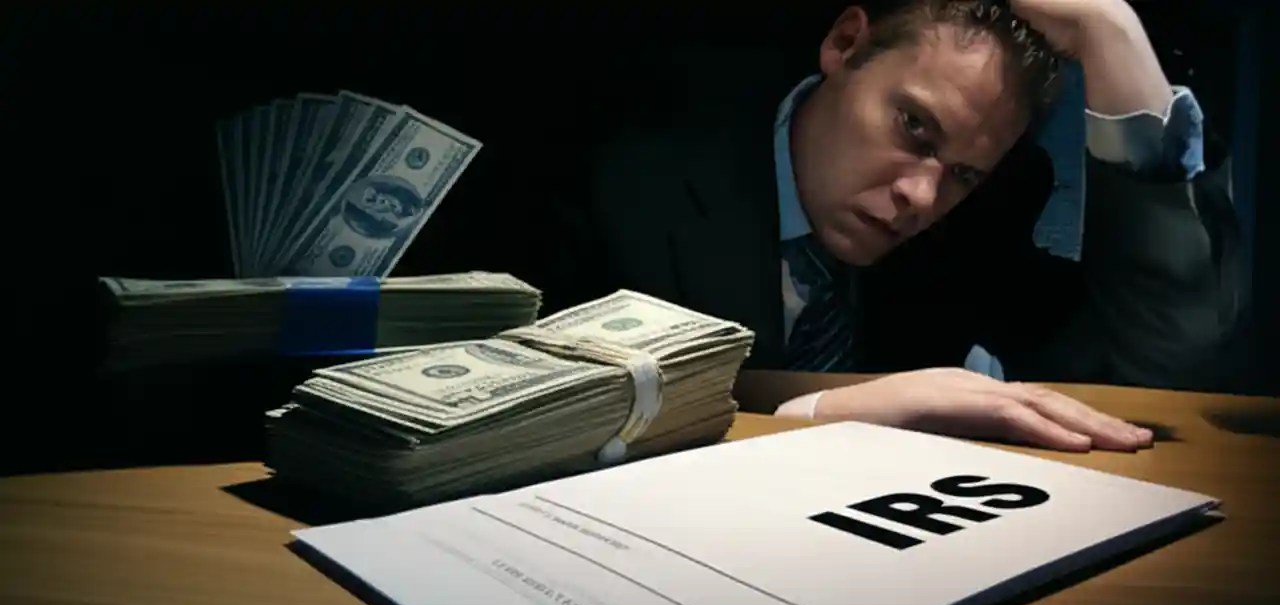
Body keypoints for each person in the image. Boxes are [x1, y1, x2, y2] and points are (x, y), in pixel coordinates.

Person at [413, 0, 1240, 453]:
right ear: (846, 44)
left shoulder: (975, 217)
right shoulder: (624, 170)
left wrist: (1112, 31)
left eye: (962, 173)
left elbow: (1168, 354)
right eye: (913, 127)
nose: (922, 195)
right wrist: (816, 411)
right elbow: (508, 413)